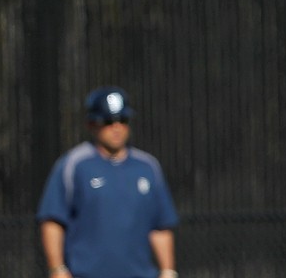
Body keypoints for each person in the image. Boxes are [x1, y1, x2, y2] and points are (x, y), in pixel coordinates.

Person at [36, 86, 179, 278]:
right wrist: (57, 269)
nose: (116, 127)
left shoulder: (147, 167)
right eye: (108, 121)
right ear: (91, 124)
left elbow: (160, 226)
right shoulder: (74, 165)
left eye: (123, 120)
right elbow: (53, 221)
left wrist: (168, 271)